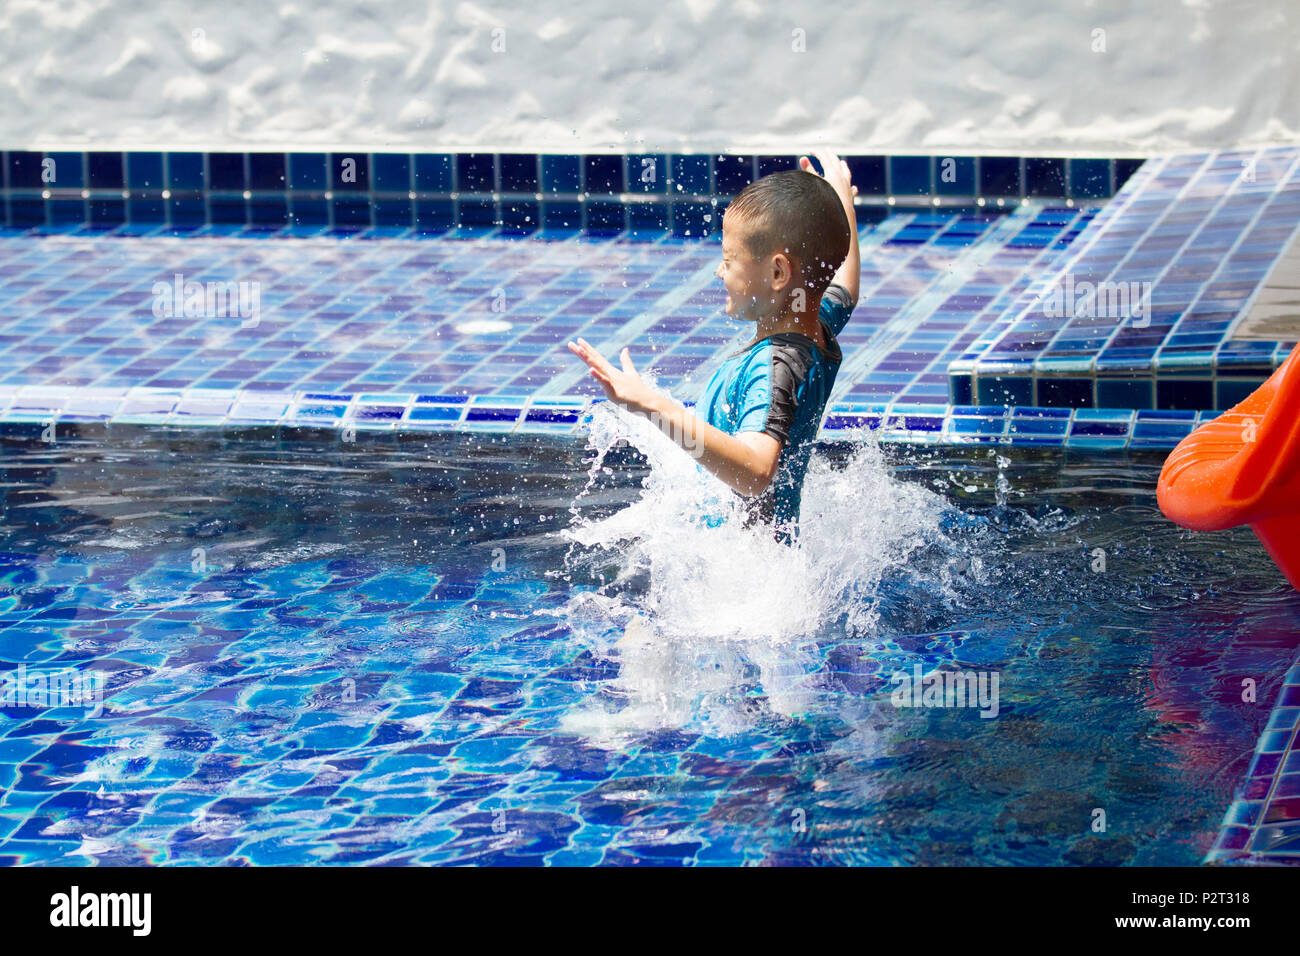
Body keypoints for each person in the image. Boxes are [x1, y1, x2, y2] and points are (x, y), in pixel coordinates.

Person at [568, 151, 860, 544]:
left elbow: (757, 473)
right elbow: (844, 286)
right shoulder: (815, 325)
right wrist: (841, 204)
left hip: (745, 575)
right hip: (764, 560)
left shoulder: (776, 367)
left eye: (729, 260)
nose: (719, 271)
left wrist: (651, 406)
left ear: (777, 273)